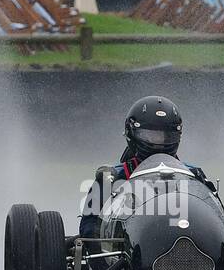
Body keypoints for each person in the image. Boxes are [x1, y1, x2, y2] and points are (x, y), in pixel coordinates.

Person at [78, 96, 207, 240]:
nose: (158, 142)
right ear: (131, 133)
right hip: (131, 252)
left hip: (189, 243)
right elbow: (88, 229)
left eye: (165, 136)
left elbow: (215, 215)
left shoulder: (194, 174)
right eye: (150, 135)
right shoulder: (112, 177)